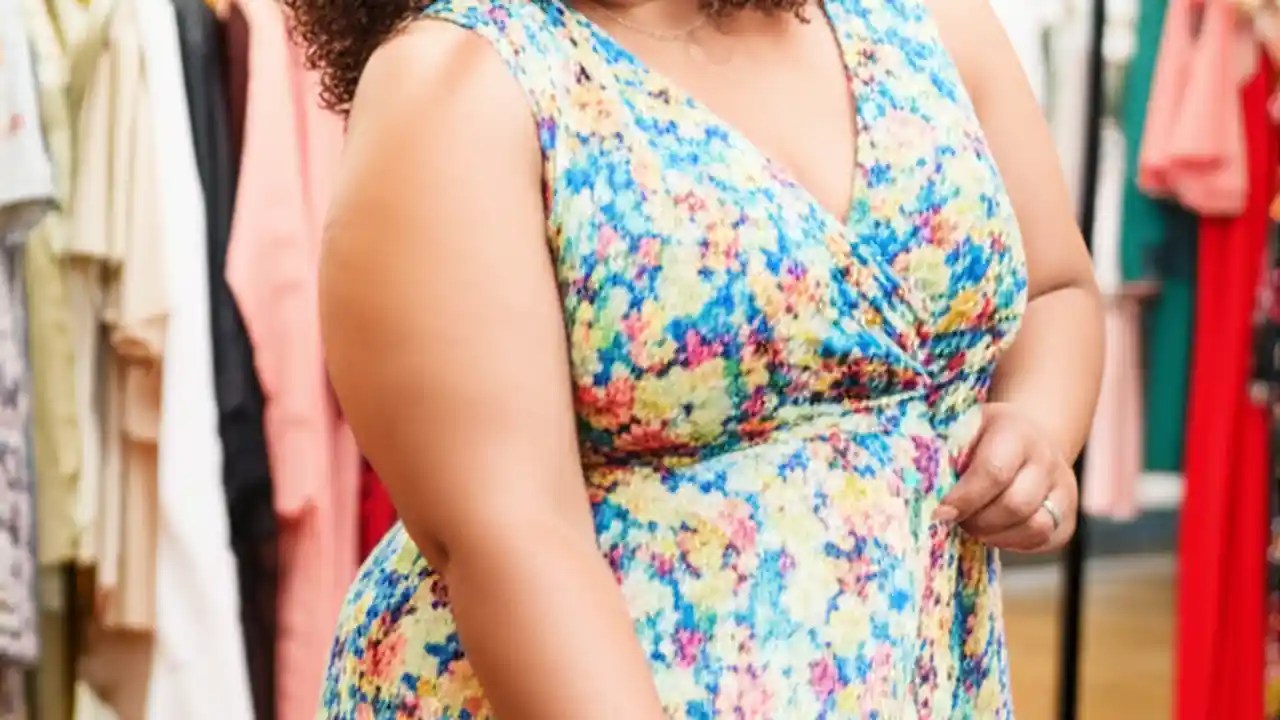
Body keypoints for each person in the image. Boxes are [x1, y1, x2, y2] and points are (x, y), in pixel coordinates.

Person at [296, 0, 1103, 713]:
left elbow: (1054, 288)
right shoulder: (464, 82)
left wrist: (1037, 426)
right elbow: (507, 536)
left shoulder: (927, 22)